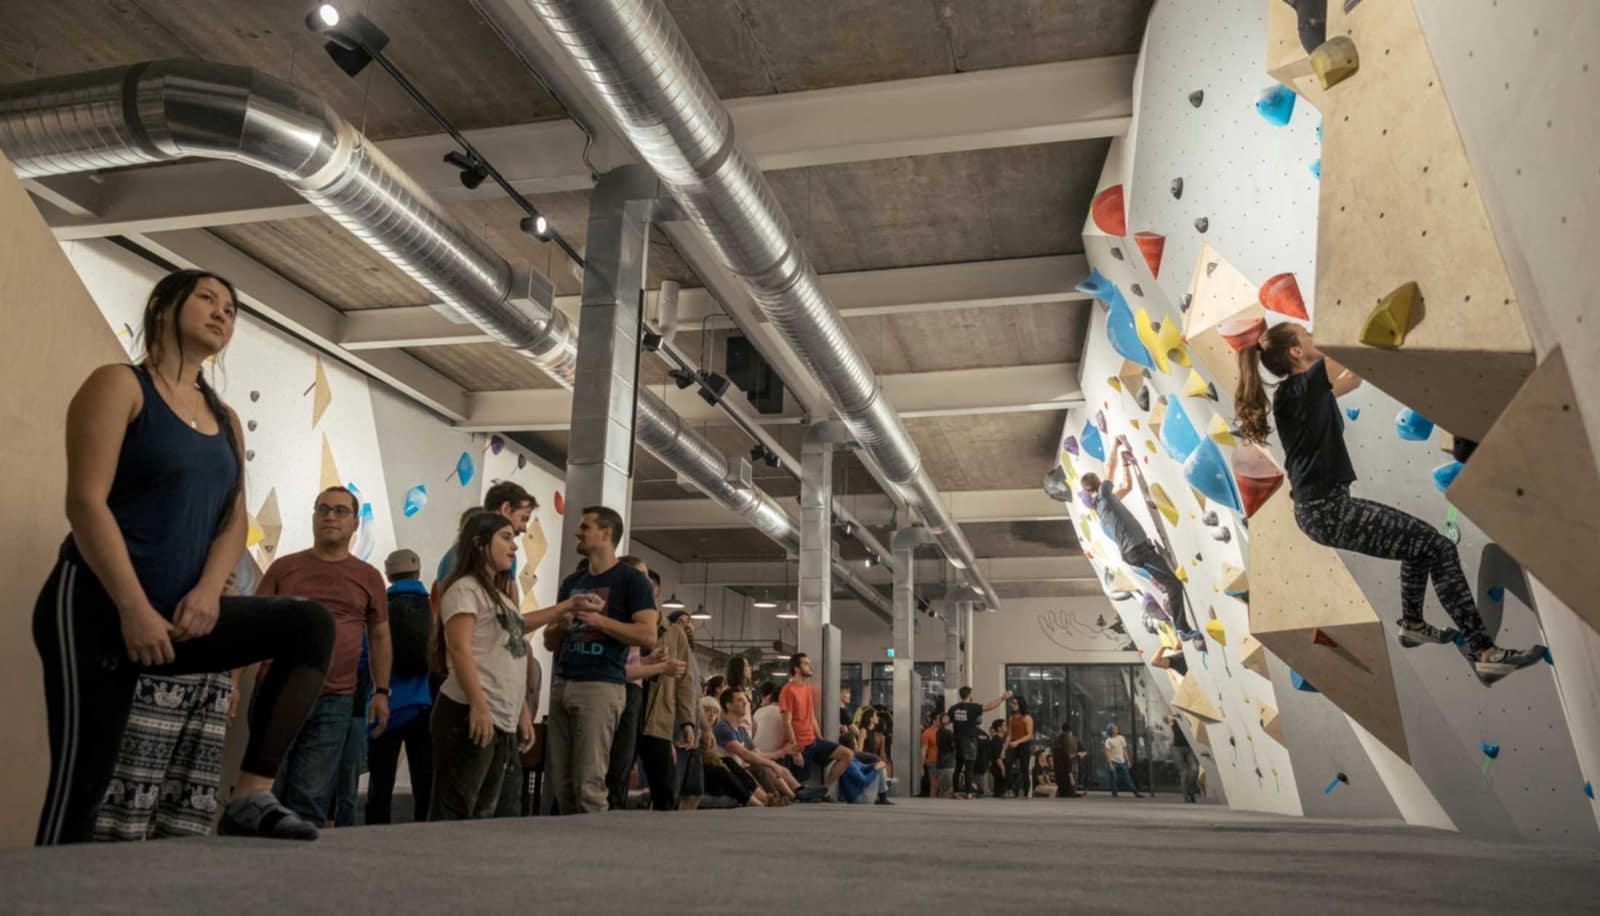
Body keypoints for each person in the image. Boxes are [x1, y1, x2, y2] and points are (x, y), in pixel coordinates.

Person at [33, 269, 335, 844]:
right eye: (207, 299)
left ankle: (249, 797)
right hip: (96, 610)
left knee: (309, 625)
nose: (223, 313)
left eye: (231, 307)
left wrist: (207, 590)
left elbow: (234, 518)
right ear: (166, 307)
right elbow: (85, 502)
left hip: (178, 616)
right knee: (81, 790)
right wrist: (132, 607)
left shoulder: (222, 419)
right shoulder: (119, 385)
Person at [1236, 323, 1543, 685]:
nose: (1315, 334)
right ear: (1296, 352)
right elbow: (1343, 349)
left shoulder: (1306, 393)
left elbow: (1354, 378)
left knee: (1420, 550)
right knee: (1439, 548)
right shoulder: (1297, 390)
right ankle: (1484, 653)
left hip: (1324, 510)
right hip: (1325, 511)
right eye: (1306, 333)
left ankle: (1413, 625)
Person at [256, 486, 392, 828]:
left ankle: (302, 876)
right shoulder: (284, 568)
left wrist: (381, 692)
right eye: (323, 509)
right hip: (278, 691)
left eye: (340, 511)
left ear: (355, 523)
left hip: (335, 699)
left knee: (311, 797)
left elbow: (379, 635)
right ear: (315, 516)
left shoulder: (369, 577)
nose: (330, 516)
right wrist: (234, 686)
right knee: (264, 788)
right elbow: (253, 629)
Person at [430, 512, 578, 820]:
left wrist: (522, 711)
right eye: (506, 537)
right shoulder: (464, 589)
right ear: (480, 544)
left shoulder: (500, 597)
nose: (515, 547)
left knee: (492, 811)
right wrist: (479, 706)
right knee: (457, 811)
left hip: (501, 716)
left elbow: (514, 638)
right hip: (468, 711)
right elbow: (459, 648)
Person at [94, 572, 246, 840]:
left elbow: (232, 601)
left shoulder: (231, 542)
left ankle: (173, 877)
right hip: (155, 664)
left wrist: (233, 681)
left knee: (188, 807)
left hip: (212, 680)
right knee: (127, 797)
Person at [542, 507, 659, 814]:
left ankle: (595, 852)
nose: (578, 532)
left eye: (585, 527)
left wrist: (600, 622)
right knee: (562, 784)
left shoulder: (633, 581)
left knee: (589, 784)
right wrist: (559, 626)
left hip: (601, 686)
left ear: (606, 534)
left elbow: (648, 636)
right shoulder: (571, 583)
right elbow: (549, 641)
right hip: (563, 683)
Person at [1081, 437, 1192, 637]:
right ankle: (1181, 628)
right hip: (1137, 550)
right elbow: (1109, 467)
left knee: (1170, 583)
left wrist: (1126, 464)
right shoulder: (1104, 496)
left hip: (1137, 551)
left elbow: (1127, 487)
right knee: (1173, 584)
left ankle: (1175, 616)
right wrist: (1115, 446)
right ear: (1098, 484)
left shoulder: (1106, 505)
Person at [364, 549, 436, 825]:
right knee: (424, 783)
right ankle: (423, 838)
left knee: (380, 785)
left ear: (388, 573)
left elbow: (366, 653)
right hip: (422, 706)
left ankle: (374, 838)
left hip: (386, 707)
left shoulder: (380, 608)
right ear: (417, 573)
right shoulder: (431, 608)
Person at [431, 482, 537, 607]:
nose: (524, 528)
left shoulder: (454, 554)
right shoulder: (468, 559)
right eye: (523, 519)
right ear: (506, 509)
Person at [639, 609, 699, 811]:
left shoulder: (674, 634)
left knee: (665, 789)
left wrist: (687, 722)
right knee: (615, 781)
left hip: (659, 718)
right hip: (626, 711)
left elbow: (684, 682)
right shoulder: (625, 623)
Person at [780, 653, 854, 798]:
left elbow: (811, 716)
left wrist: (820, 739)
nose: (810, 666)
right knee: (799, 787)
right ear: (796, 668)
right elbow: (786, 722)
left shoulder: (807, 688)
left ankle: (824, 790)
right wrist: (795, 751)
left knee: (847, 755)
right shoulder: (788, 690)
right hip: (800, 745)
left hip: (813, 740)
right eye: (806, 664)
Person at [946, 686, 1011, 799]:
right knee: (969, 767)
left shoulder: (953, 708)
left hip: (957, 740)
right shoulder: (973, 707)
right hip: (969, 739)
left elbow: (946, 720)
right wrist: (1002, 698)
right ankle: (969, 793)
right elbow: (989, 706)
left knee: (958, 767)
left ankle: (956, 791)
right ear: (970, 695)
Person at [1004, 696, 1035, 798]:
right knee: (1007, 763)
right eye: (1012, 703)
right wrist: (1004, 747)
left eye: (1015, 703)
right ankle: (1009, 789)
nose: (1012, 705)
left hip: (1024, 745)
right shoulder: (1011, 718)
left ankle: (1026, 792)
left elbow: (1030, 735)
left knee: (1024, 768)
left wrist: (1018, 741)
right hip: (1013, 744)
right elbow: (1009, 734)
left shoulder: (1027, 718)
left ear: (1020, 705)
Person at [1104, 723, 1143, 798]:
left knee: (1127, 778)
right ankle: (1114, 794)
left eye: (1116, 728)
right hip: (1113, 761)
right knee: (1114, 779)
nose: (1116, 729)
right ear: (1111, 730)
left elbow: (1124, 750)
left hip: (1122, 762)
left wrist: (1127, 760)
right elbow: (1107, 753)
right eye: (1114, 728)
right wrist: (1110, 764)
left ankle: (1135, 792)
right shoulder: (1108, 741)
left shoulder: (1121, 738)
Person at [1169, 715, 1199, 803]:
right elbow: (1165, 718)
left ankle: (1191, 791)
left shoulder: (1190, 720)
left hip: (1190, 748)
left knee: (1195, 769)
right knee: (1184, 772)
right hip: (1177, 748)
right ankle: (1186, 796)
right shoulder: (1174, 720)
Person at [1051, 722, 1085, 798]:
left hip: (1063, 765)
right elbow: (1083, 752)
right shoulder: (1064, 740)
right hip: (1068, 764)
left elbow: (1083, 751)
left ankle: (1071, 793)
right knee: (1070, 782)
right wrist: (1077, 756)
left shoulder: (1060, 739)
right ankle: (1072, 794)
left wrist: (1077, 755)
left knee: (1065, 783)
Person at [935, 713, 956, 799]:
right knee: (948, 789)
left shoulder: (938, 732)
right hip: (949, 762)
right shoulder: (948, 732)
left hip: (941, 762)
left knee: (942, 789)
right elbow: (953, 747)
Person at [986, 719, 1009, 798]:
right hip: (998, 768)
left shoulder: (1000, 740)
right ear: (999, 728)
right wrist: (1003, 769)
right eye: (1005, 725)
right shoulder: (996, 740)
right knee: (999, 791)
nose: (1006, 727)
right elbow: (997, 757)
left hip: (1001, 766)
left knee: (999, 790)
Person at [919, 712, 940, 798]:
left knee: (944, 786)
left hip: (944, 762)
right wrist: (921, 766)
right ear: (934, 721)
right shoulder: (927, 733)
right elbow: (924, 750)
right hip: (932, 762)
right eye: (940, 719)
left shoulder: (945, 732)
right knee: (934, 786)